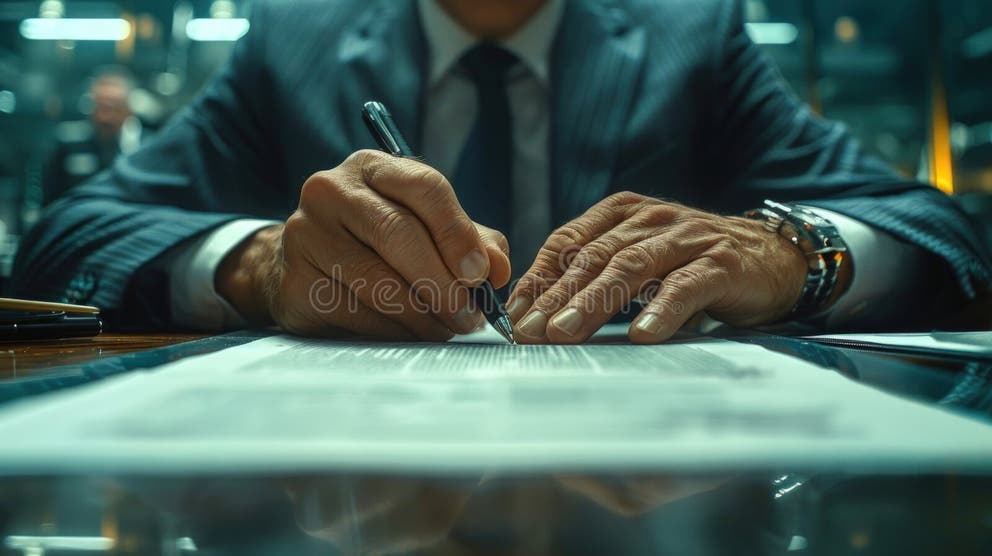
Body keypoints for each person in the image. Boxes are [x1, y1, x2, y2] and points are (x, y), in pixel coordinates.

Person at [12, 0, 992, 343]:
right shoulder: (291, 39)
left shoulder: (692, 37)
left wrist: (789, 249)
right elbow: (67, 240)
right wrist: (257, 266)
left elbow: (939, 230)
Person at [42, 68, 144, 205]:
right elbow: (50, 195)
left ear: (128, 111)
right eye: (101, 107)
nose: (105, 118)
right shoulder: (67, 141)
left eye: (114, 108)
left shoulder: (142, 147)